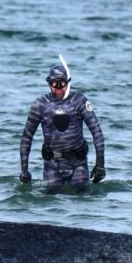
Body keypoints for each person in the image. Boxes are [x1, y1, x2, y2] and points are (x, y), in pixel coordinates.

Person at [20, 61, 105, 192]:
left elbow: (96, 131)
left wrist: (100, 165)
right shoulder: (40, 105)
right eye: (55, 83)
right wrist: (24, 170)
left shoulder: (79, 101)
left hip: (78, 163)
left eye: (62, 83)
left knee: (82, 194)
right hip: (52, 164)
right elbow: (27, 137)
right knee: (50, 199)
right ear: (49, 83)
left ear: (68, 82)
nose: (58, 87)